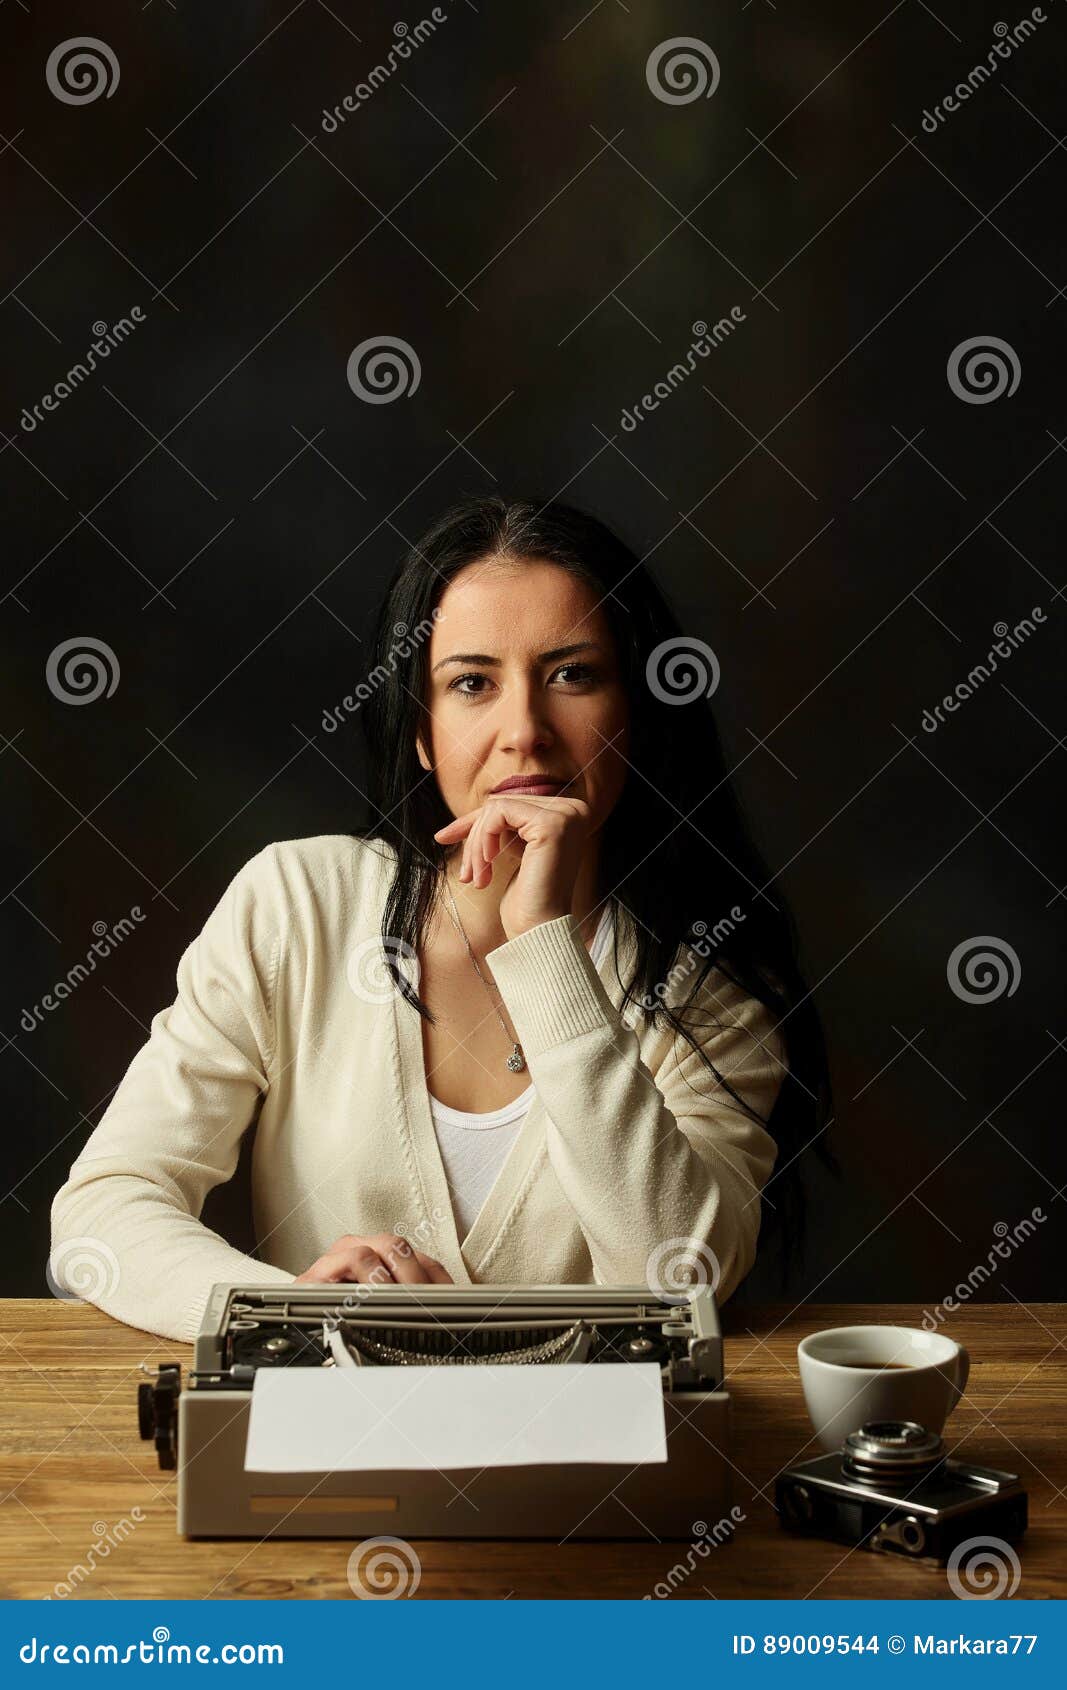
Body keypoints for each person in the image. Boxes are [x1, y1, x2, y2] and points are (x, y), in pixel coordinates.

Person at [50, 495, 832, 1342]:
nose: (524, 733)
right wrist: (298, 1317)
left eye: (573, 674)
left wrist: (542, 949)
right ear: (421, 732)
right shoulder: (298, 905)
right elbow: (103, 1213)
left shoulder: (708, 997)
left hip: (584, 1466)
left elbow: (679, 1283)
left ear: (633, 716)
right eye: (471, 683)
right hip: (328, 1455)